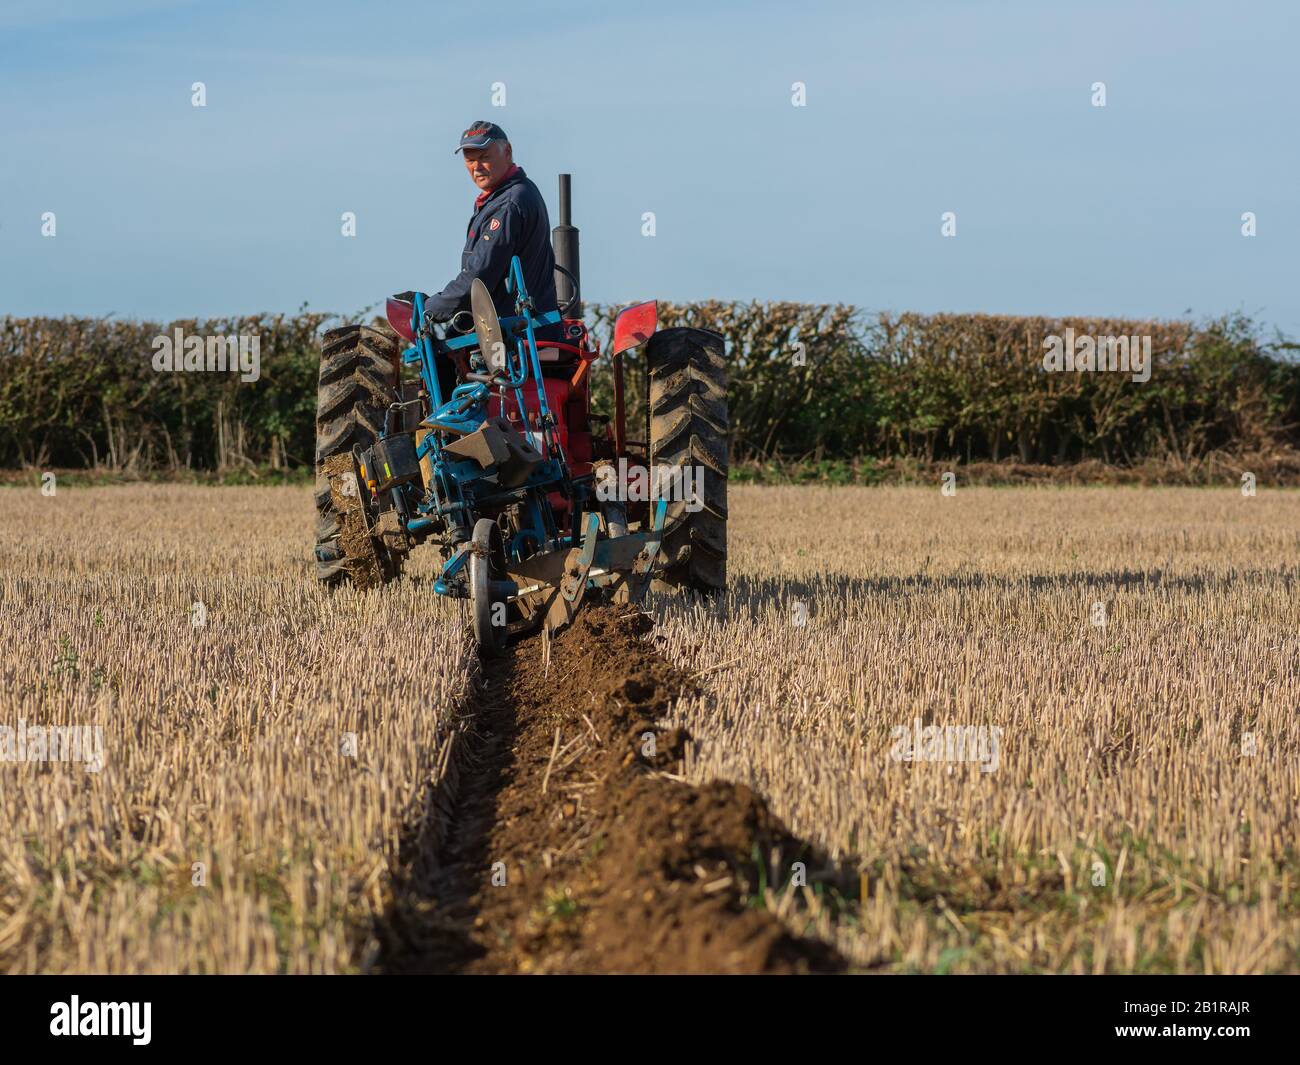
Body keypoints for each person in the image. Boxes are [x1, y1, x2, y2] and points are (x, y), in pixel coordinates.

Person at [423, 121, 561, 346]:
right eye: (470, 159)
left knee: (437, 354)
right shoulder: (506, 197)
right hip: (510, 327)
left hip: (518, 334)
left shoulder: (509, 203)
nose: (476, 167)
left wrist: (430, 308)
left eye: (484, 156)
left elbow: (479, 276)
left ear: (507, 152)